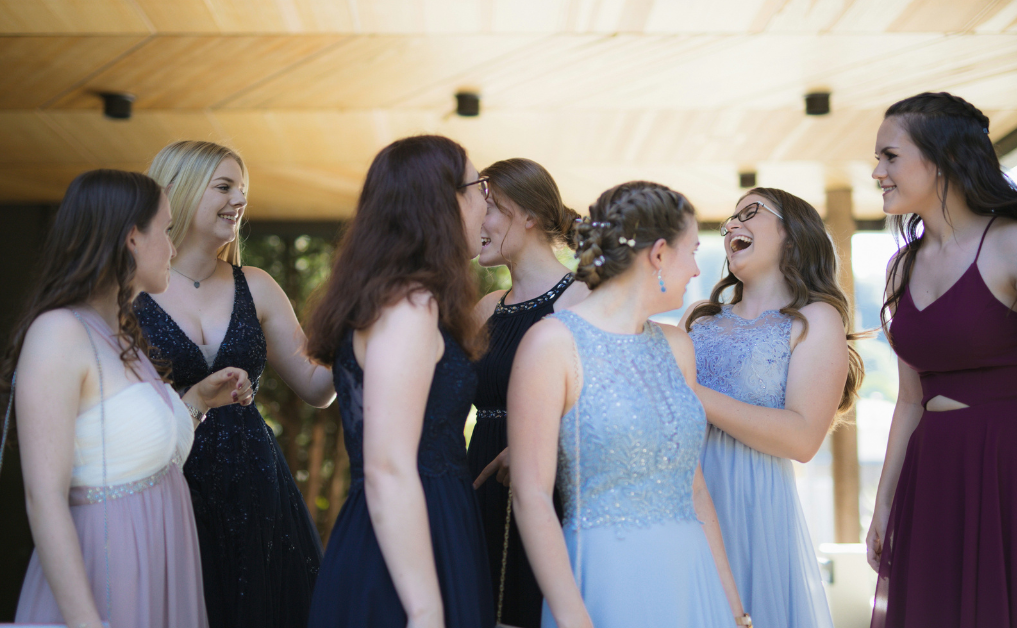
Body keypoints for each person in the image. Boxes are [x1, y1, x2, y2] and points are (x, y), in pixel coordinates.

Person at [866, 92, 1017, 627]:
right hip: (931, 475)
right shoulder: (901, 267)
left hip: (1012, 469)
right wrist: (884, 503)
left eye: (890, 156)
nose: (877, 173)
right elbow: (910, 400)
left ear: (943, 159)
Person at [1, 169, 254, 627]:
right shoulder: (59, 333)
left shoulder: (121, 337)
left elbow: (140, 456)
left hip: (157, 570)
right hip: (108, 576)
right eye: (166, 230)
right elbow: (44, 498)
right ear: (133, 238)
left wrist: (197, 402)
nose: (173, 248)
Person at [508, 181, 750, 628]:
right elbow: (531, 496)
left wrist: (736, 613)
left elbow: (695, 490)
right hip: (607, 581)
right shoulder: (552, 343)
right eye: (692, 251)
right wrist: (572, 617)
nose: (696, 269)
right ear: (658, 254)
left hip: (691, 582)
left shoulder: (677, 347)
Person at [135, 140, 333, 628]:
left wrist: (363, 321)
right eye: (224, 187)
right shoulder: (130, 290)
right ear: (177, 191)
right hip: (167, 481)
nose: (240, 200)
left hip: (255, 490)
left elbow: (317, 386)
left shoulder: (257, 284)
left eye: (242, 190)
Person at [304, 135, 493, 628]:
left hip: (431, 526)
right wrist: (424, 609)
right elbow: (387, 467)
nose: (486, 203)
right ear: (443, 203)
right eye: (479, 188)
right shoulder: (407, 308)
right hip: (406, 550)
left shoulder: (410, 302)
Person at [682, 187, 863, 628]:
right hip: (683, 493)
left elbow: (802, 439)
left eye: (750, 213)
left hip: (752, 502)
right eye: (728, 221)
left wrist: (692, 394)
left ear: (793, 232)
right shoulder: (698, 318)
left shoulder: (816, 319)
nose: (731, 225)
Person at [468, 157, 589, 628]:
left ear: (530, 216)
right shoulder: (484, 309)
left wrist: (539, 446)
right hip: (480, 480)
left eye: (489, 208)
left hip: (550, 485)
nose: (477, 221)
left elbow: (609, 406)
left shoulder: (581, 299)